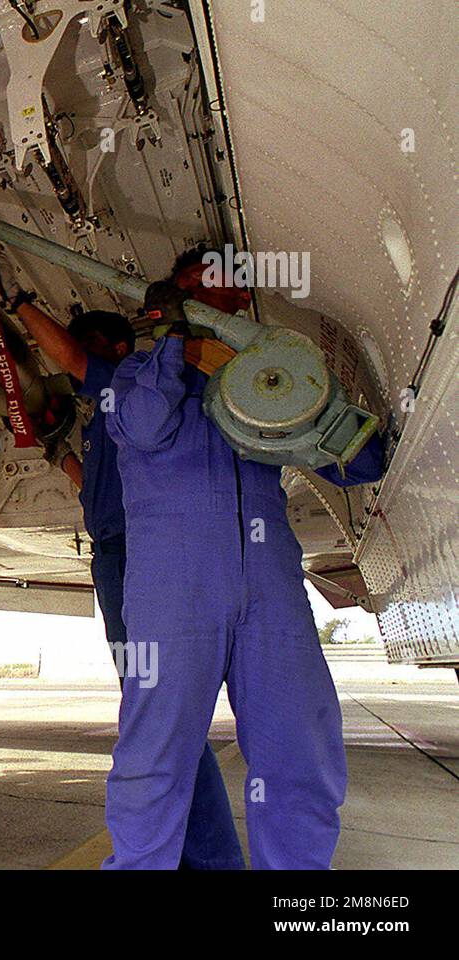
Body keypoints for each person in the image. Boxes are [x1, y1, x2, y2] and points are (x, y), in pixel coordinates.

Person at [103, 247, 386, 869]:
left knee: (299, 751)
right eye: (200, 293)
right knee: (156, 757)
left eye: (233, 293)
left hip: (270, 586)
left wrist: (329, 402)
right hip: (174, 587)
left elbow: (358, 464)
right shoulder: (137, 377)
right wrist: (175, 341)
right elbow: (146, 427)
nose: (224, 301)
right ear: (173, 302)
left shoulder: (263, 387)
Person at [11, 293, 244, 869]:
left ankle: (207, 857)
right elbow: (91, 484)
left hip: (137, 556)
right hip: (114, 558)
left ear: (118, 350)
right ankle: (203, 854)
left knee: (158, 710)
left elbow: (67, 357)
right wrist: (55, 454)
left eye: (92, 349)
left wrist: (19, 305)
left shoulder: (130, 389)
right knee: (154, 707)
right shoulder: (108, 420)